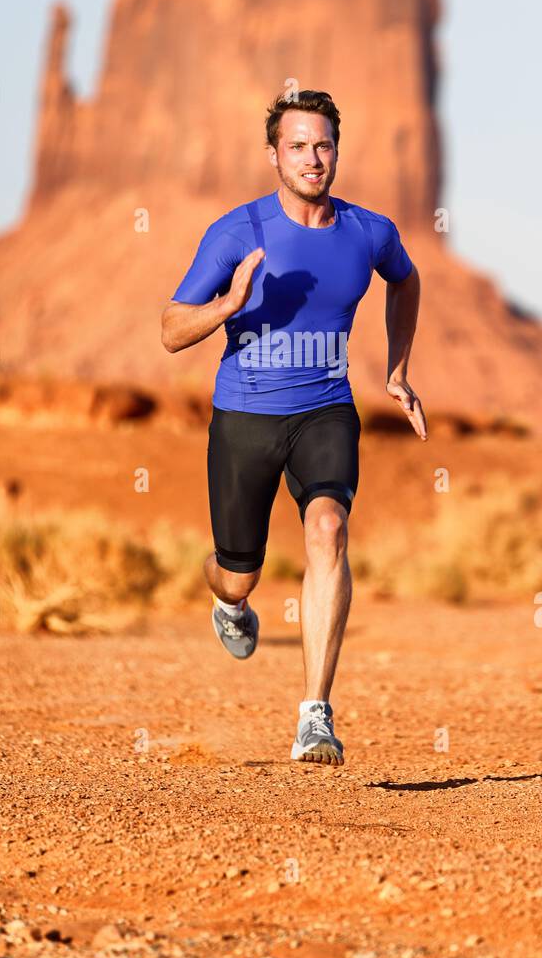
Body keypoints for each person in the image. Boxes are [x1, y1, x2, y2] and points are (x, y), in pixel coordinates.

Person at [161, 90, 426, 765]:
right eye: (298, 146)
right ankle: (226, 594)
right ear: (272, 155)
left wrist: (397, 369)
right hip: (244, 415)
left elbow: (406, 279)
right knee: (238, 577)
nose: (313, 158)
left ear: (336, 150)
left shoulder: (368, 232)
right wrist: (227, 304)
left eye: (323, 145)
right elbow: (169, 331)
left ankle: (315, 715)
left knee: (329, 529)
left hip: (324, 409)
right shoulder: (235, 233)